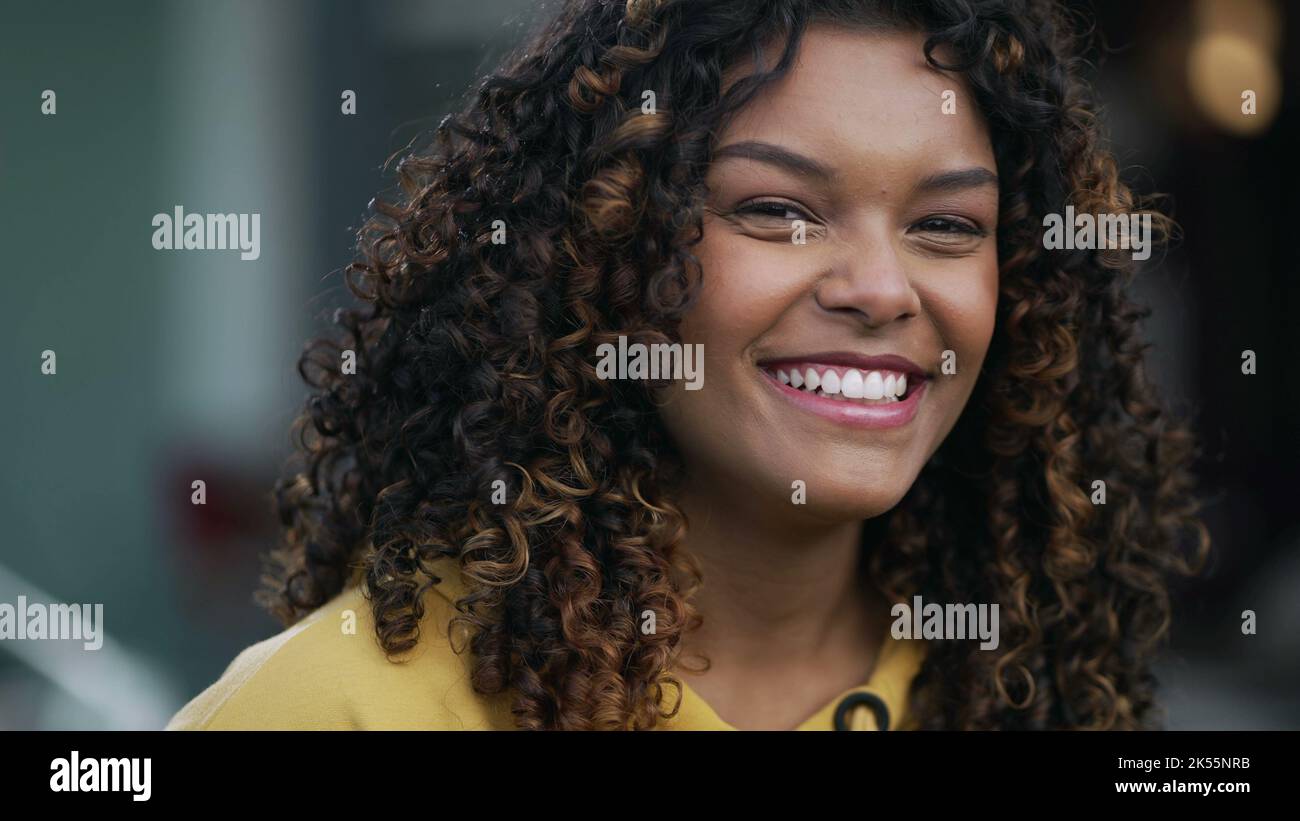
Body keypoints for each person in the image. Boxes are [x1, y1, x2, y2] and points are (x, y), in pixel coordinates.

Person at [168, 0, 1208, 731]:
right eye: (776, 211)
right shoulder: (334, 711)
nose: (882, 288)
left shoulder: (1030, 690)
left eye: (946, 223)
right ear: (604, 250)